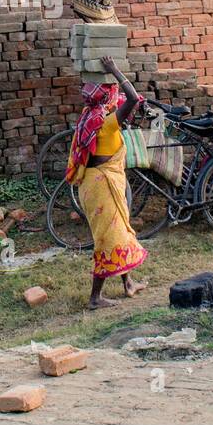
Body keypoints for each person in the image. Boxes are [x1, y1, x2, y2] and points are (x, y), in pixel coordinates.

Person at [64, 56, 148, 309]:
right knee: (107, 238)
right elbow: (132, 99)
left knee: (120, 230)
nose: (115, 96)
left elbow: (123, 101)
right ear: (106, 99)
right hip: (102, 186)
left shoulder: (89, 116)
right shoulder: (107, 124)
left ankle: (128, 283)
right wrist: (114, 70)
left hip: (94, 183)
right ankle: (95, 298)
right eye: (111, 93)